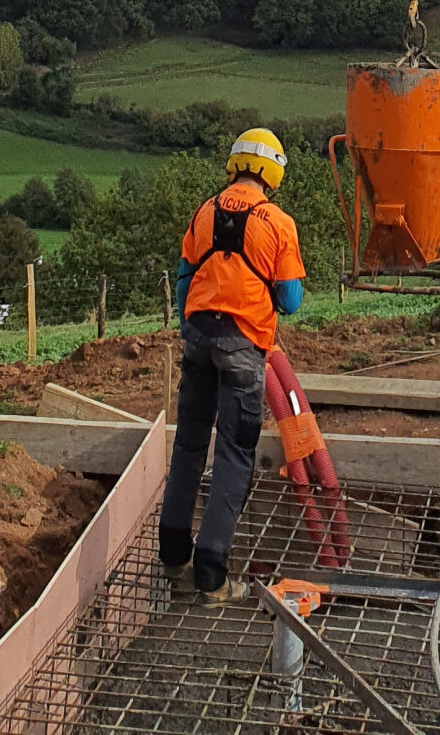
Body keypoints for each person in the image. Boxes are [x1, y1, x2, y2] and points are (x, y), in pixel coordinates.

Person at [157, 125, 306, 602]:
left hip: (199, 338)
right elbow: (290, 299)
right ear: (272, 172)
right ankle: (212, 578)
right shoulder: (278, 223)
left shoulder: (204, 212)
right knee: (233, 457)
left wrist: (195, 331)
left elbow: (184, 282)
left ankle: (174, 558)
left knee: (187, 447)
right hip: (243, 347)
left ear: (235, 165)